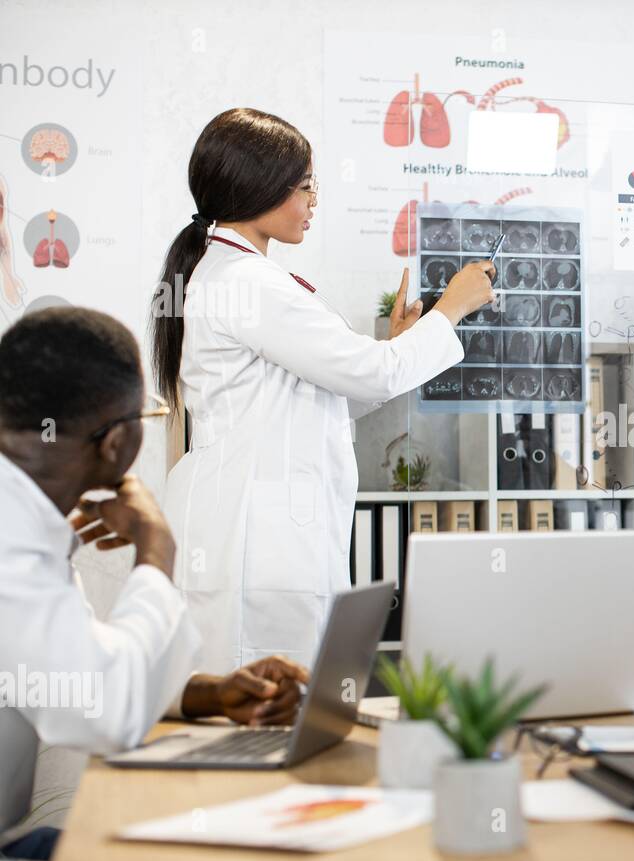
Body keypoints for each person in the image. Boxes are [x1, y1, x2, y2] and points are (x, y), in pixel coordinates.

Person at [151, 108, 495, 673]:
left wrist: (394, 348)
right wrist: (452, 307)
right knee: (264, 705)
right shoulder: (248, 283)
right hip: (253, 537)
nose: (315, 202)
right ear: (258, 186)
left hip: (251, 526)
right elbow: (371, 373)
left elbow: (333, 393)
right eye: (306, 187)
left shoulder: (237, 276)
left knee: (269, 704)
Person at [0, 307, 310, 861]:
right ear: (118, 442)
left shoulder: (24, 517)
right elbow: (104, 710)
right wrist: (156, 553)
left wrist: (210, 693)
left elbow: (77, 669)